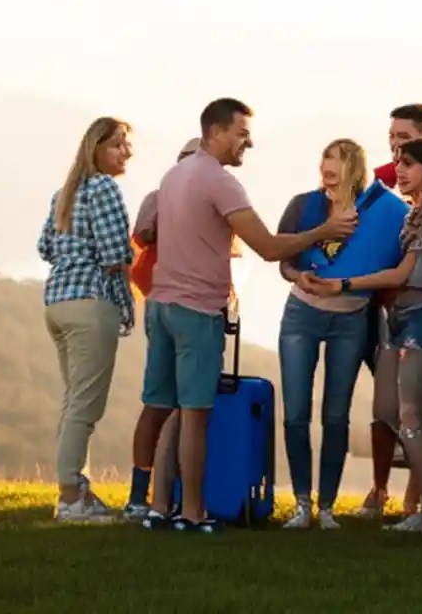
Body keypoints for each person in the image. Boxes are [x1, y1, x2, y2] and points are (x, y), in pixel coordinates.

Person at [134, 97, 357, 534]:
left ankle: (157, 506)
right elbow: (270, 248)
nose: (248, 142)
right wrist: (326, 231)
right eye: (242, 133)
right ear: (215, 132)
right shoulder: (221, 182)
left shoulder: (173, 175)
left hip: (160, 305)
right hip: (197, 310)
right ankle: (194, 513)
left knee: (167, 408)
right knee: (196, 413)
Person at [301, 138, 422, 534]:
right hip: (414, 317)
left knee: (411, 412)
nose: (400, 170)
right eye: (397, 163)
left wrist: (343, 284)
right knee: (398, 410)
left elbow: (407, 273)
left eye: (408, 163)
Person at [274, 138, 409, 530]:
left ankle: (327, 508)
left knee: (336, 414)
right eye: (324, 156)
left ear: (355, 167)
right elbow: (283, 259)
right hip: (302, 314)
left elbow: (399, 258)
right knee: (297, 412)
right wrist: (297, 273)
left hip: (350, 319)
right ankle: (302, 504)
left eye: (336, 158)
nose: (326, 165)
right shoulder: (303, 205)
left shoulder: (383, 212)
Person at [37, 116, 135, 523]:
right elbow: (116, 255)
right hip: (91, 303)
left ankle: (76, 489)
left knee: (73, 398)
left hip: (57, 302)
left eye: (127, 146)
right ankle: (71, 496)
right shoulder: (104, 188)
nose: (126, 152)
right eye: (118, 145)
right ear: (96, 149)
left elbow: (45, 246)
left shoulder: (65, 193)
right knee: (86, 404)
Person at [357, 104, 422, 520]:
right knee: (387, 407)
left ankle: (421, 500)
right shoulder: (380, 182)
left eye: (403, 139)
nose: (395, 147)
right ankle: (382, 490)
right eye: (391, 138)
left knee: (419, 407)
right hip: (388, 308)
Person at [121, 137, 198, 522]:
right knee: (163, 402)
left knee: (186, 406)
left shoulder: (208, 195)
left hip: (185, 303)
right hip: (168, 304)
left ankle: (172, 496)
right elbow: (142, 236)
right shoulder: (158, 196)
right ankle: (142, 496)